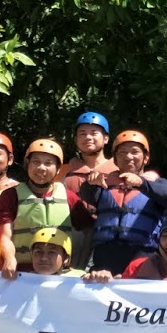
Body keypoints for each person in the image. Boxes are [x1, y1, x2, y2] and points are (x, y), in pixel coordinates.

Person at [83, 131, 167, 275]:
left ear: (146, 158)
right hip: (104, 259)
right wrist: (90, 182)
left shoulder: (158, 184)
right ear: (114, 159)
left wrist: (141, 183)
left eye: (135, 152)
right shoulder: (104, 185)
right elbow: (86, 193)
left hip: (142, 260)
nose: (128, 157)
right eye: (122, 153)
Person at [0, 139, 89, 278]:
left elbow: (89, 232)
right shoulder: (11, 195)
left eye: (48, 163)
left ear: (58, 169)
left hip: (58, 274)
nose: (41, 168)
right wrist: (10, 259)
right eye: (36, 162)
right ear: (27, 165)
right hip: (21, 273)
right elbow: (5, 235)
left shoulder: (69, 197)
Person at [61, 112, 115, 268]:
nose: (88, 137)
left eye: (94, 133)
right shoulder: (63, 171)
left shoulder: (117, 172)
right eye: (82, 134)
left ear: (106, 138)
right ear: (76, 140)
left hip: (106, 238)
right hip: (70, 237)